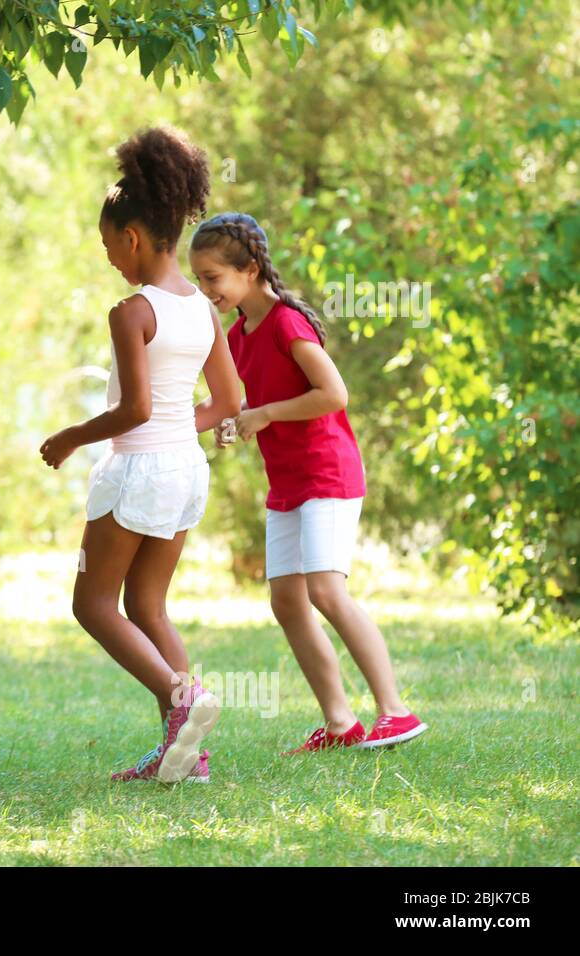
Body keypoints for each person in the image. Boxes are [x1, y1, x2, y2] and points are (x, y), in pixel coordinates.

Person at [41, 128, 241, 783]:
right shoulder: (203, 310)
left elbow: (134, 412)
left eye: (107, 245)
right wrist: (183, 427)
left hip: (138, 471)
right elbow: (229, 399)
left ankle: (185, 708)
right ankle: (188, 755)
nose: (109, 259)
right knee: (149, 609)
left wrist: (71, 437)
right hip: (185, 470)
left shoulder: (133, 311)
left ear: (131, 236)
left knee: (93, 606)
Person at [189, 211, 428, 753]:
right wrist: (227, 420)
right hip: (288, 484)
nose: (206, 290)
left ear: (249, 270)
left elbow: (333, 394)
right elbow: (239, 402)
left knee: (325, 590)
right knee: (287, 602)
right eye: (199, 279)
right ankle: (341, 723)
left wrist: (265, 414)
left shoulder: (286, 323)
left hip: (328, 473)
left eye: (212, 278)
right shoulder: (239, 336)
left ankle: (396, 710)